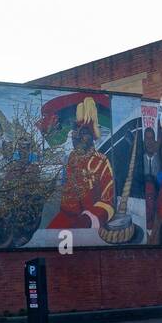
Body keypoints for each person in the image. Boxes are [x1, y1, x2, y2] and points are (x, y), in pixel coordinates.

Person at [45, 97, 115, 230]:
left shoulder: (101, 162)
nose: (77, 137)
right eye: (74, 133)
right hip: (66, 216)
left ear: (92, 137)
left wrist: (89, 219)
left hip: (88, 221)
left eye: (82, 133)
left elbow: (108, 201)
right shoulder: (71, 158)